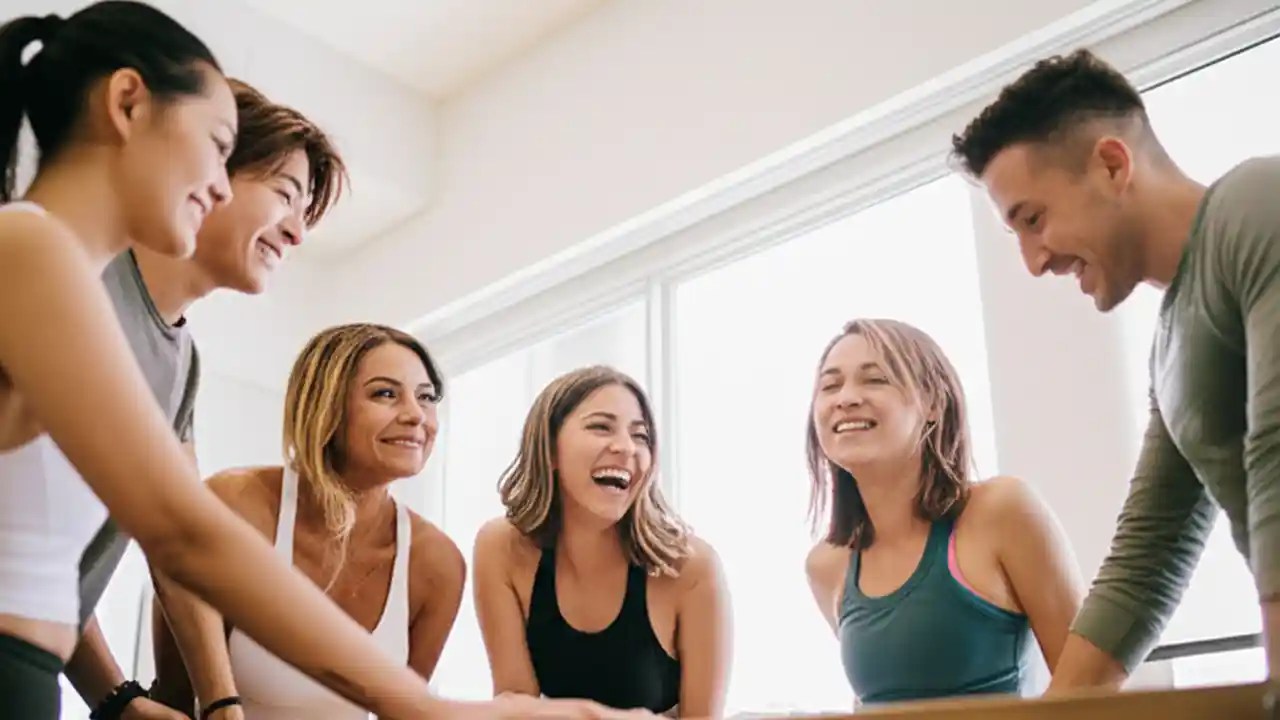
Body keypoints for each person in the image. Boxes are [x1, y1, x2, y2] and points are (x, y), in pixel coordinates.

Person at [0, 4, 634, 718]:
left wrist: (121, 702)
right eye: (217, 145)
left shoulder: (142, 332)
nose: (215, 182)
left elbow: (151, 545)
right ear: (127, 104)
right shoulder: (29, 247)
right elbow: (184, 533)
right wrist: (429, 708)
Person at [950, 47, 1280, 691]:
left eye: (1033, 219)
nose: (1033, 262)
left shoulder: (1256, 206)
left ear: (1110, 164)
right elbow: (1143, 568)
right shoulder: (1171, 348)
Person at [65, 75, 347, 720]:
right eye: (285, 195)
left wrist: (210, 703)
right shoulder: (76, 277)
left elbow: (175, 543)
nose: (297, 235)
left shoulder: (182, 363)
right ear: (209, 171)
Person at [151, 322, 466, 720]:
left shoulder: (437, 563)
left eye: (427, 397)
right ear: (326, 404)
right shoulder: (236, 504)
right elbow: (173, 695)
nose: (416, 415)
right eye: (385, 393)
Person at [804, 318, 1083, 707]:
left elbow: (1091, 690)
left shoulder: (1003, 510)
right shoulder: (827, 565)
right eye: (830, 385)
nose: (846, 398)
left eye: (875, 379)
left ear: (933, 403)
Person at [473, 366, 732, 718]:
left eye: (640, 436)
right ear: (549, 449)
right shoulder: (501, 547)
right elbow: (517, 708)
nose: (626, 448)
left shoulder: (691, 566)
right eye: (601, 427)